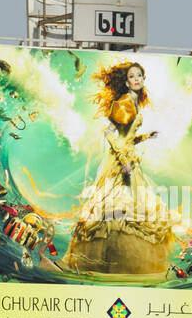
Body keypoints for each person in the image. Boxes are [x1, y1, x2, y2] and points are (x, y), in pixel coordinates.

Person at [65, 61, 179, 276]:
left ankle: (131, 266)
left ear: (143, 79)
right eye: (132, 77)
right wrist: (123, 159)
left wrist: (146, 136)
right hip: (119, 162)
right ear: (126, 82)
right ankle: (101, 264)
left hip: (128, 160)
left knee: (134, 210)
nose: (136, 79)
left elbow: (127, 137)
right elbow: (109, 134)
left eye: (139, 76)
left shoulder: (135, 101)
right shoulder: (124, 101)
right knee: (116, 209)